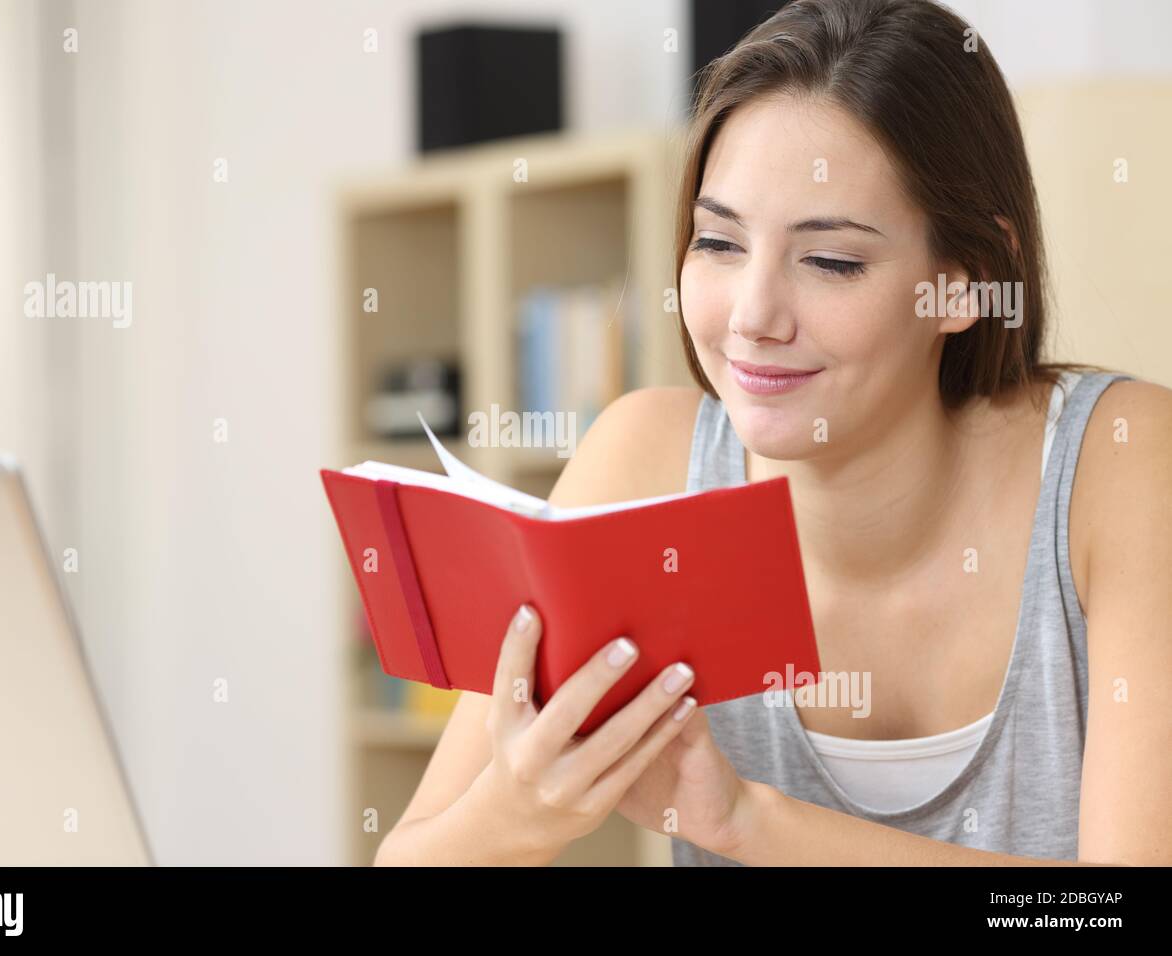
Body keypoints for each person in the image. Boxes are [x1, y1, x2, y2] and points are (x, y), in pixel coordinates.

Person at [373, 0, 1172, 866]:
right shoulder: (649, 462)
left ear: (967, 278)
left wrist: (751, 826)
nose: (753, 317)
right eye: (718, 242)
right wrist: (519, 813)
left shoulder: (1120, 463)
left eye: (830, 260)